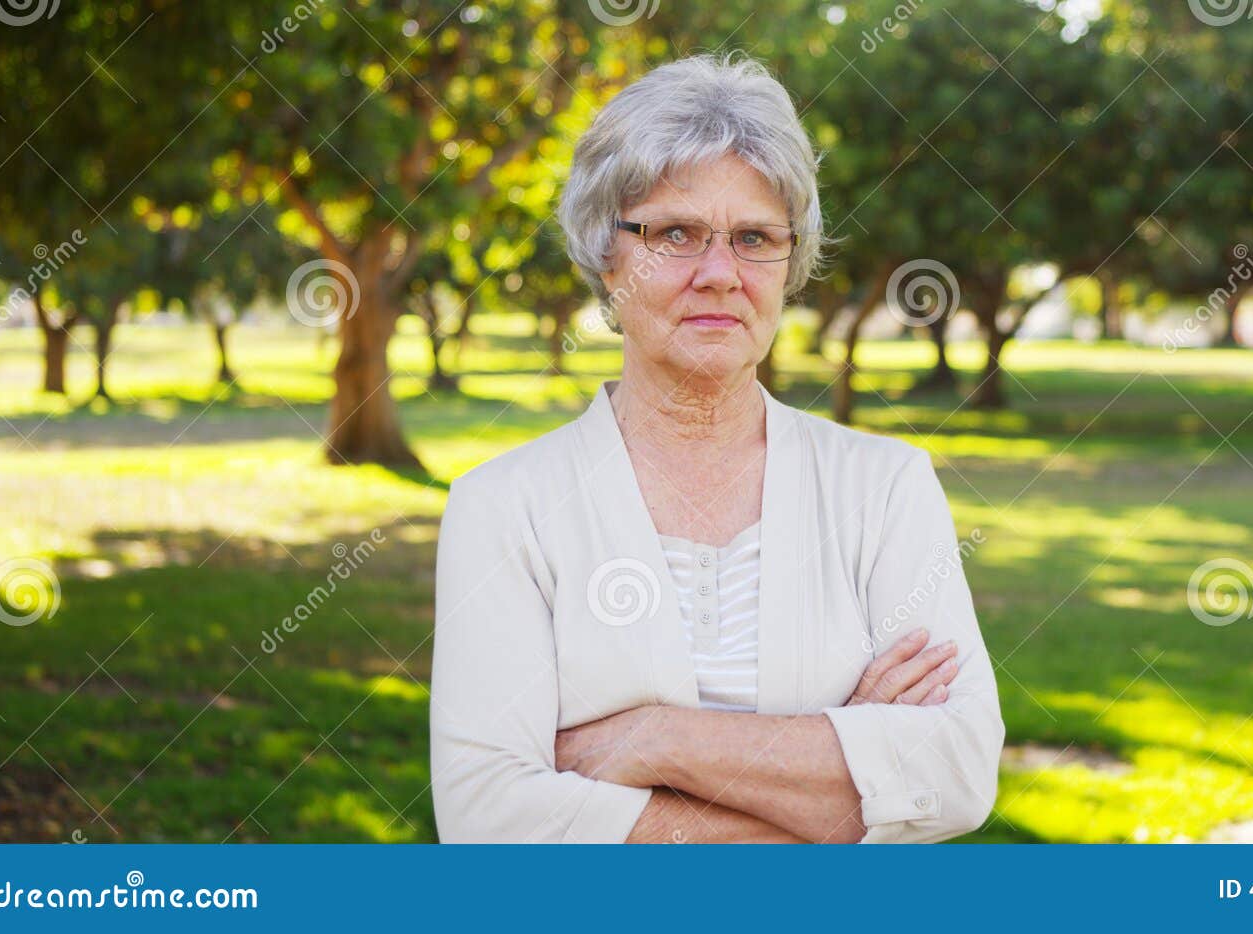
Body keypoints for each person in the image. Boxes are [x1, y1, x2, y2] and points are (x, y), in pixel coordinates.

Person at [430, 53, 1003, 843]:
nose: (720, 273)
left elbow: (958, 774)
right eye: (675, 233)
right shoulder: (504, 507)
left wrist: (651, 741)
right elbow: (490, 819)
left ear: (790, 260)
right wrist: (847, 766)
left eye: (755, 237)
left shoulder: (885, 487)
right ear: (607, 253)